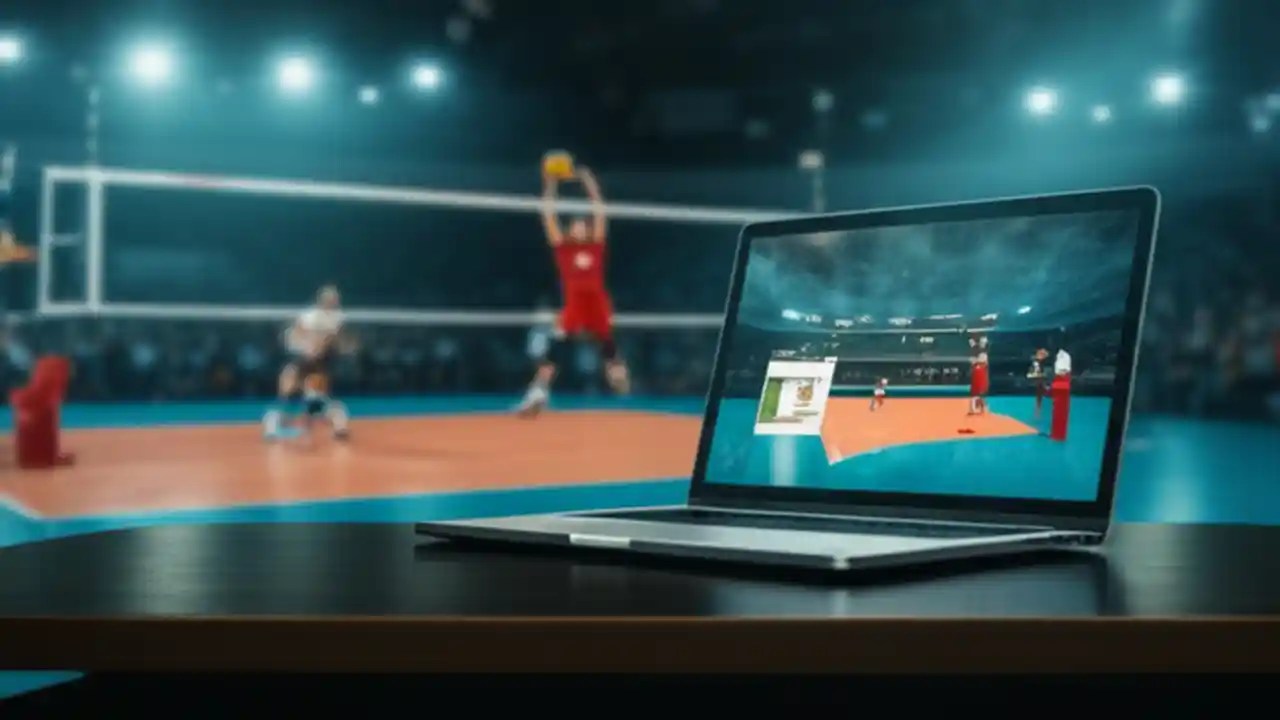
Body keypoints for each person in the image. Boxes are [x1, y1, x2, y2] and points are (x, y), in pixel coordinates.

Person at [516, 163, 629, 417]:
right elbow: (548, 214)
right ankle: (538, 392)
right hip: (574, 306)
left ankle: (619, 376)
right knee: (555, 348)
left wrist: (589, 182)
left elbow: (599, 211)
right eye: (576, 225)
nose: (580, 227)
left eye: (583, 225)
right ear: (569, 229)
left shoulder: (596, 246)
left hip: (598, 302)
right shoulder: (563, 249)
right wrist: (551, 184)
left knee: (608, 345)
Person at [263, 285, 353, 441]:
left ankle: (338, 427)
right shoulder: (308, 317)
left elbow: (338, 342)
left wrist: (328, 346)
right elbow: (294, 337)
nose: (332, 302)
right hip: (298, 363)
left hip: (317, 368)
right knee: (286, 397)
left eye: (334, 299)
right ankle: (272, 426)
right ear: (321, 300)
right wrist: (306, 348)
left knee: (323, 402)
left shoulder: (338, 319)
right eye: (329, 299)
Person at [968, 334, 990, 415]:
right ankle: (974, 408)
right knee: (975, 392)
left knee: (981, 392)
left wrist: (976, 361)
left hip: (981, 372)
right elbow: (972, 360)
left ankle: (983, 407)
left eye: (984, 342)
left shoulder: (984, 352)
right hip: (977, 372)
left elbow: (983, 361)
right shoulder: (976, 350)